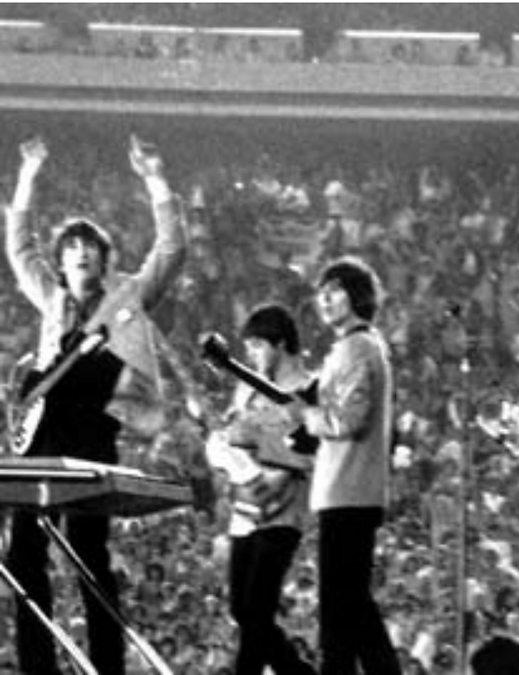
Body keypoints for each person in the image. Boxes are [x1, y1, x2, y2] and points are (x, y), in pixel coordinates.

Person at [5, 134, 186, 674]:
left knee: (88, 551)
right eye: (71, 248)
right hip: (45, 429)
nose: (81, 253)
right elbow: (20, 247)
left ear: (104, 260)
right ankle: (38, 665)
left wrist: (154, 178)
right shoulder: (51, 299)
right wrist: (28, 176)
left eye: (90, 247)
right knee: (24, 552)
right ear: (61, 262)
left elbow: (171, 251)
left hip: (92, 428)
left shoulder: (128, 296)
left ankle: (107, 665)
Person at [290, 256, 400, 674]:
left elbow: (349, 420)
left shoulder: (358, 347)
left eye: (334, 291)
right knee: (350, 603)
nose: (325, 300)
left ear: (356, 296)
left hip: (348, 489)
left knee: (341, 606)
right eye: (321, 293)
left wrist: (310, 417)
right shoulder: (355, 347)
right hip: (348, 489)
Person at [204, 304, 318, 675]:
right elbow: (232, 435)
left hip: (283, 509)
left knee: (257, 609)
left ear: (280, 343)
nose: (252, 355)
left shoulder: (308, 388)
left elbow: (309, 452)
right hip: (245, 509)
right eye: (248, 348)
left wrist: (261, 445)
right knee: (243, 610)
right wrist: (223, 446)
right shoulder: (247, 391)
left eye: (258, 346)